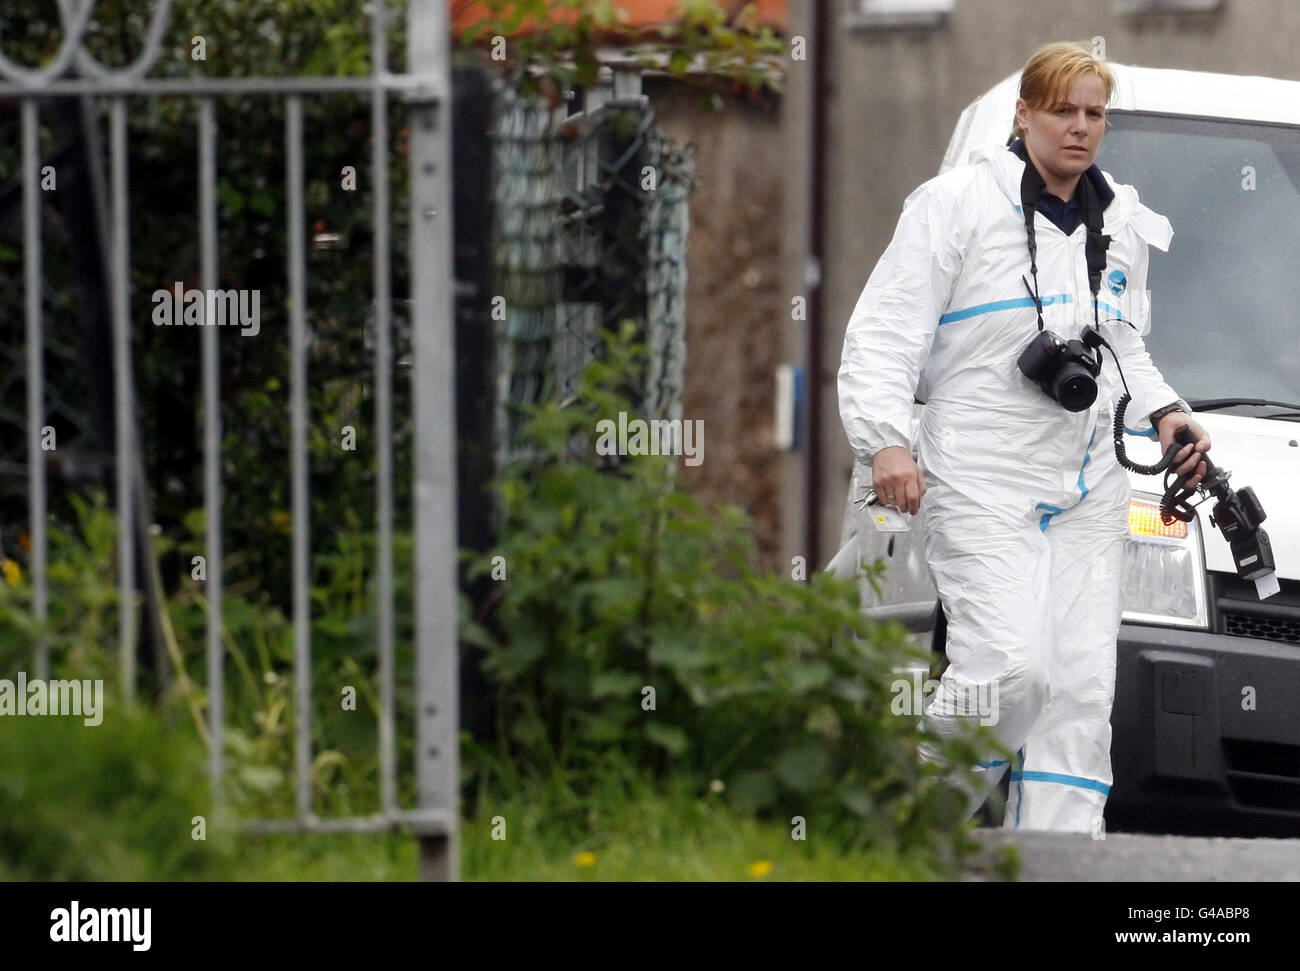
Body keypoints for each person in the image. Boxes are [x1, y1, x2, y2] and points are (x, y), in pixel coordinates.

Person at [837, 41, 1213, 832]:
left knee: (1077, 693)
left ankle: (1062, 858)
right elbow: (884, 331)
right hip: (980, 474)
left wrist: (1167, 411)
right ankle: (903, 824)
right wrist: (885, 441)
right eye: (1063, 111)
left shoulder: (1123, 220)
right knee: (1009, 672)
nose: (1080, 128)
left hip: (1089, 481)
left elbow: (1125, 343)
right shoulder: (953, 206)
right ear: (1025, 115)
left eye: (1094, 113)